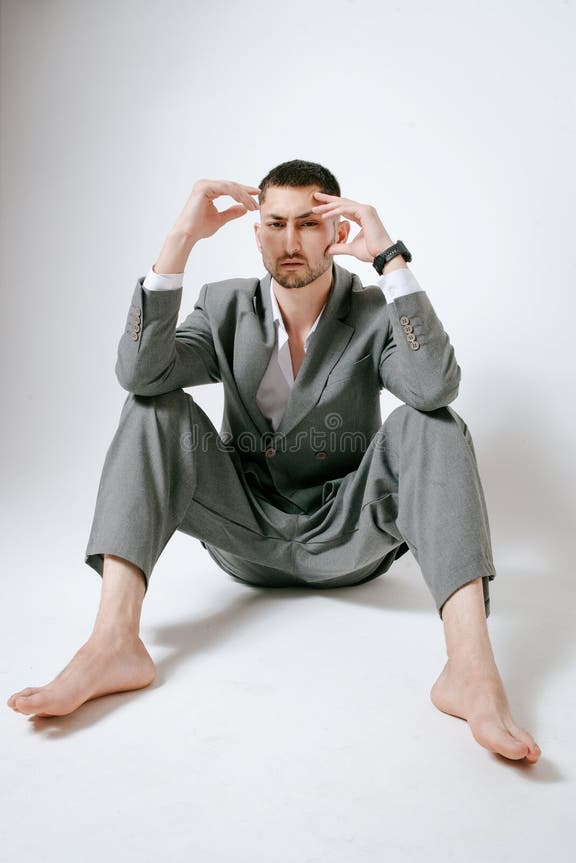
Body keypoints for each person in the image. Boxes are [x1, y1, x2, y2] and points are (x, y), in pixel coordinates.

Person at [7, 160, 541, 763]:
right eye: (276, 224)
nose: (290, 242)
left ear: (337, 232)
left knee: (433, 422)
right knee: (151, 408)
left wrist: (390, 258)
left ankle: (470, 668)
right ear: (256, 232)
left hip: (348, 535)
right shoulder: (223, 305)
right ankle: (113, 643)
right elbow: (141, 372)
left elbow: (433, 386)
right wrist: (179, 241)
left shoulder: (372, 311)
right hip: (246, 530)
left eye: (309, 224)